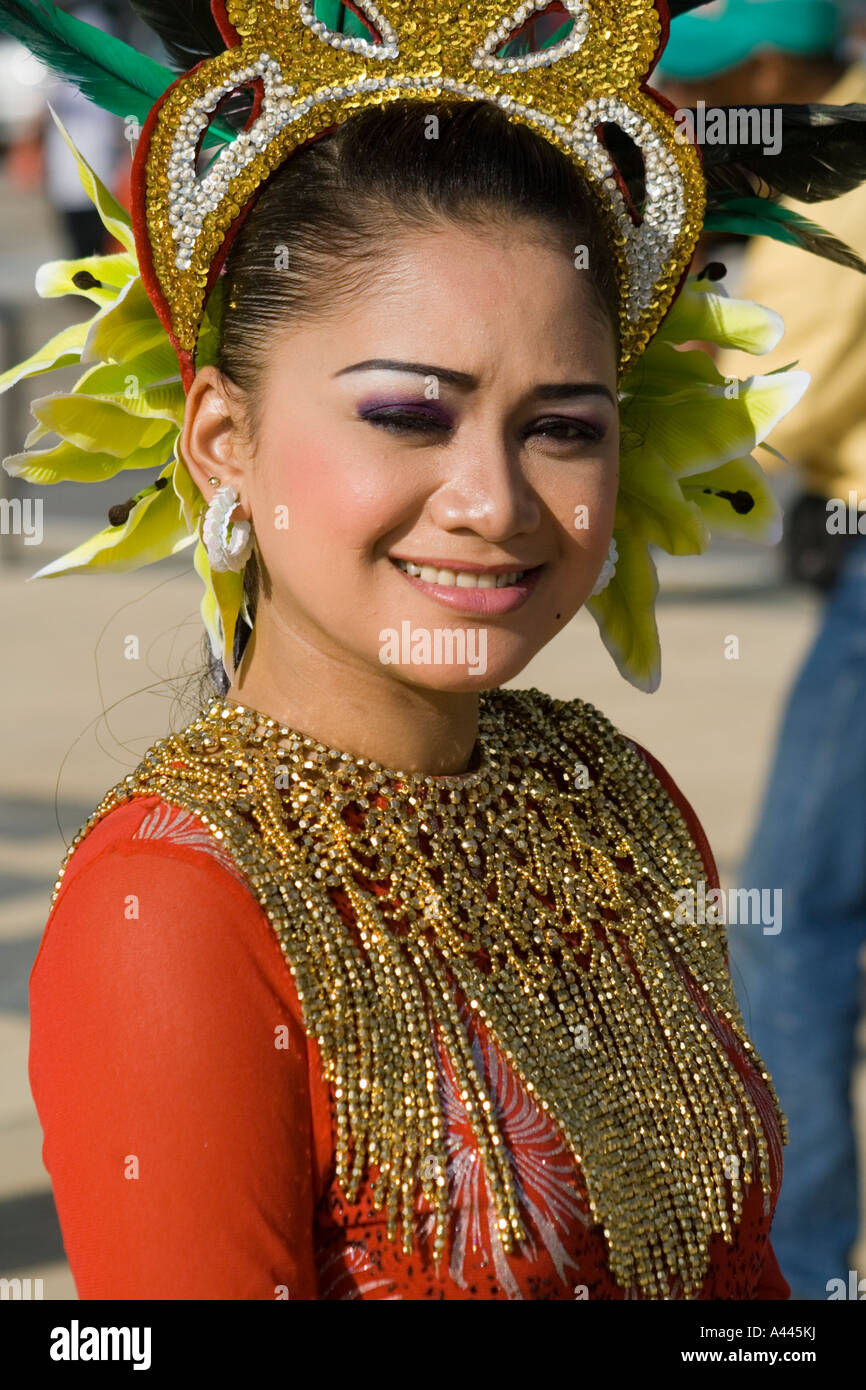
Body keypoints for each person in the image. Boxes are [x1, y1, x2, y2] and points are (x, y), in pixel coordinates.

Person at [3, 0, 866, 1301]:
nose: (493, 500)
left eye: (561, 427)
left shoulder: (613, 795)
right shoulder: (174, 911)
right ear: (220, 438)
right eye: (409, 413)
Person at [658, 0, 866, 1301]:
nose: (695, 108)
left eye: (720, 81)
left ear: (783, 65)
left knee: (787, 922)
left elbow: (751, 411)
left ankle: (796, 1273)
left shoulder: (834, 175)